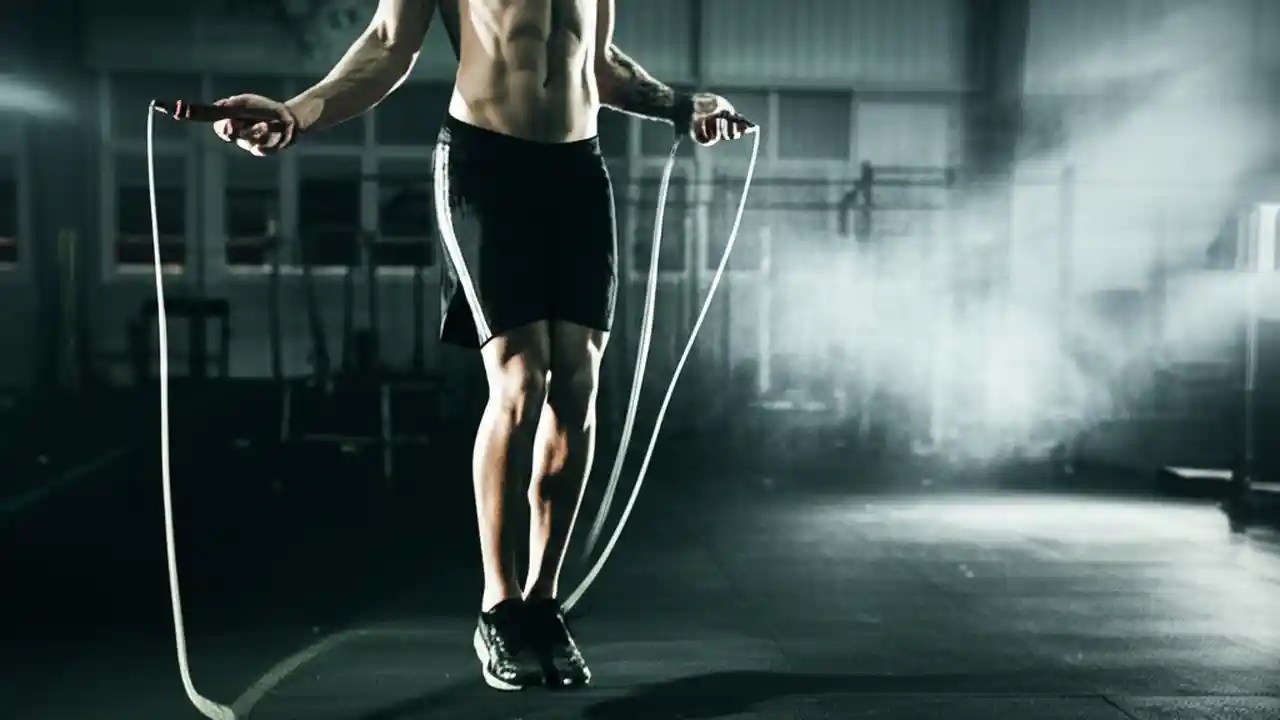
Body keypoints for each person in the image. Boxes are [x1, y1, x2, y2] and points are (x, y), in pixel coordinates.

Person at [214, 0, 752, 692]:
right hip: (486, 168)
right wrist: (299, 111)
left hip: (578, 172)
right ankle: (497, 606)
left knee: (578, 386)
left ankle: (541, 602)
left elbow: (598, 65)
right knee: (521, 380)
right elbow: (386, 44)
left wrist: (683, 105)